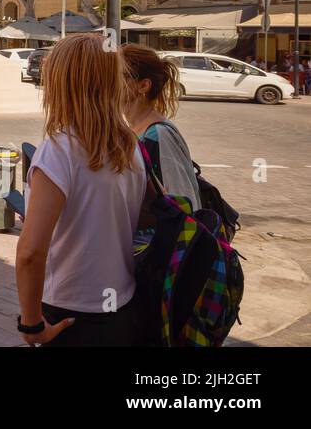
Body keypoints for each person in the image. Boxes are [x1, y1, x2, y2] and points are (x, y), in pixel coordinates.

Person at [15, 33, 147, 346]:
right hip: (121, 307)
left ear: (61, 84)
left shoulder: (60, 150)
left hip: (70, 314)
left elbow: (30, 253)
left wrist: (32, 324)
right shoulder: (131, 147)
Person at [121, 44, 200, 211]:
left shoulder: (158, 134)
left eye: (117, 76)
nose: (108, 83)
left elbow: (185, 204)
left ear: (143, 86)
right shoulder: (135, 129)